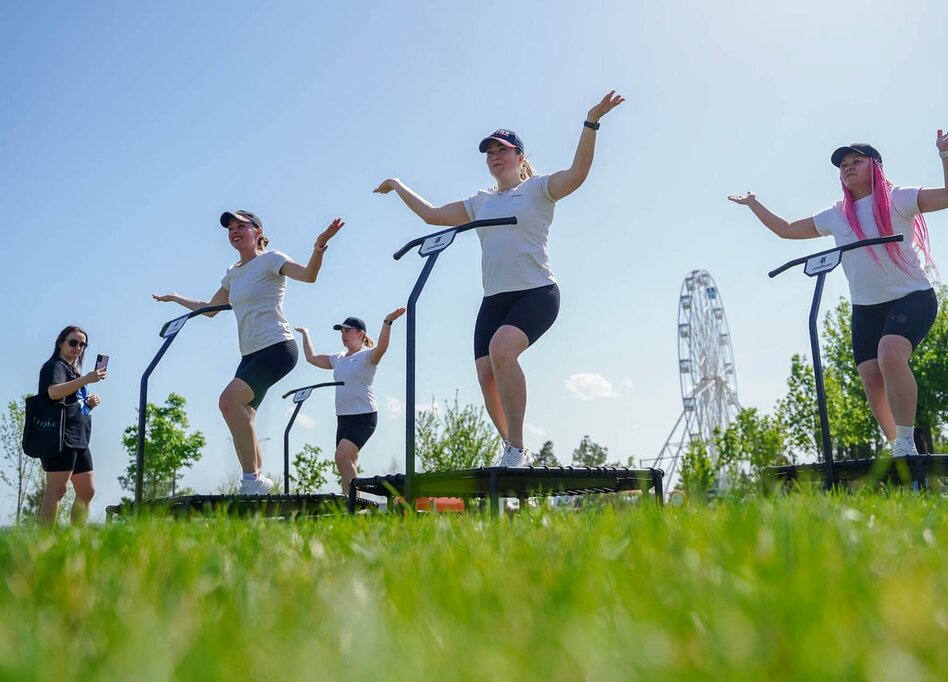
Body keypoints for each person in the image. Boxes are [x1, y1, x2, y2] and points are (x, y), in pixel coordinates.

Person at [373, 91, 625, 466]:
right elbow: (431, 215)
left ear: (519, 156)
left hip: (536, 293)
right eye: (489, 152)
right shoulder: (480, 201)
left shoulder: (538, 188)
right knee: (485, 374)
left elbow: (577, 174)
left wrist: (591, 122)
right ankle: (512, 448)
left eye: (501, 150)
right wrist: (396, 184)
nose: (494, 156)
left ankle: (517, 447)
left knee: (502, 350)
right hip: (494, 300)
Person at [728, 113, 948, 458]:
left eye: (856, 161)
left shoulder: (899, 198)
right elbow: (787, 230)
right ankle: (896, 450)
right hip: (866, 308)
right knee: (870, 375)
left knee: (890, 356)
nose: (847, 168)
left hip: (912, 297)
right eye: (843, 165)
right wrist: (753, 204)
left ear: (876, 167)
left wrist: (946, 153)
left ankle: (905, 441)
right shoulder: (836, 214)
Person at [154, 210, 342, 494]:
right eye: (230, 228)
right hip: (250, 354)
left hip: (277, 347)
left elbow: (309, 275)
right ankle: (258, 484)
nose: (234, 231)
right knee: (243, 415)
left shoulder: (272, 259)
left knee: (228, 402)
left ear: (258, 232)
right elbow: (210, 310)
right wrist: (177, 298)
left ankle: (251, 480)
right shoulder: (233, 274)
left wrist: (319, 245)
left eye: (241, 226)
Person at [294, 308, 405, 494]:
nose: (343, 335)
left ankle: (356, 501)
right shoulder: (338, 358)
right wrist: (306, 334)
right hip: (343, 418)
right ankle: (350, 502)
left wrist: (387, 322)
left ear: (360, 334)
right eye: (341, 331)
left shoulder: (367, 356)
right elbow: (311, 358)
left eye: (347, 331)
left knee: (342, 457)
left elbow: (382, 348)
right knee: (347, 462)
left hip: (364, 416)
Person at [38, 326, 106, 524]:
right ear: (61, 343)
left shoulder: (74, 372)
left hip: (80, 437)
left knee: (87, 491)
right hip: (61, 436)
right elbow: (53, 392)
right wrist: (85, 379)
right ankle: (45, 538)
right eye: (73, 342)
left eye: (82, 344)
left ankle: (77, 537)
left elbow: (71, 402)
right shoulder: (55, 366)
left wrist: (89, 404)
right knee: (57, 490)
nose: (78, 347)